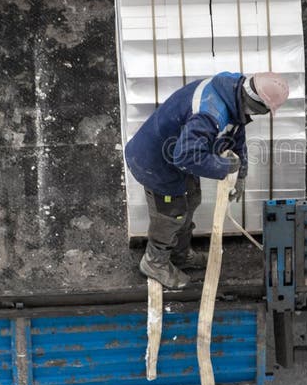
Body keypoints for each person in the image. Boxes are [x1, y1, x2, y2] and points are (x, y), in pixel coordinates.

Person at [124, 71, 290, 288]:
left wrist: (241, 174)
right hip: (154, 161)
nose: (265, 114)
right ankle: (154, 262)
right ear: (257, 104)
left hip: (174, 153)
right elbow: (185, 156)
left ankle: (179, 255)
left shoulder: (234, 94)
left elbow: (235, 135)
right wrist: (225, 167)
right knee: (172, 214)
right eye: (267, 110)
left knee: (192, 199)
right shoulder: (210, 113)